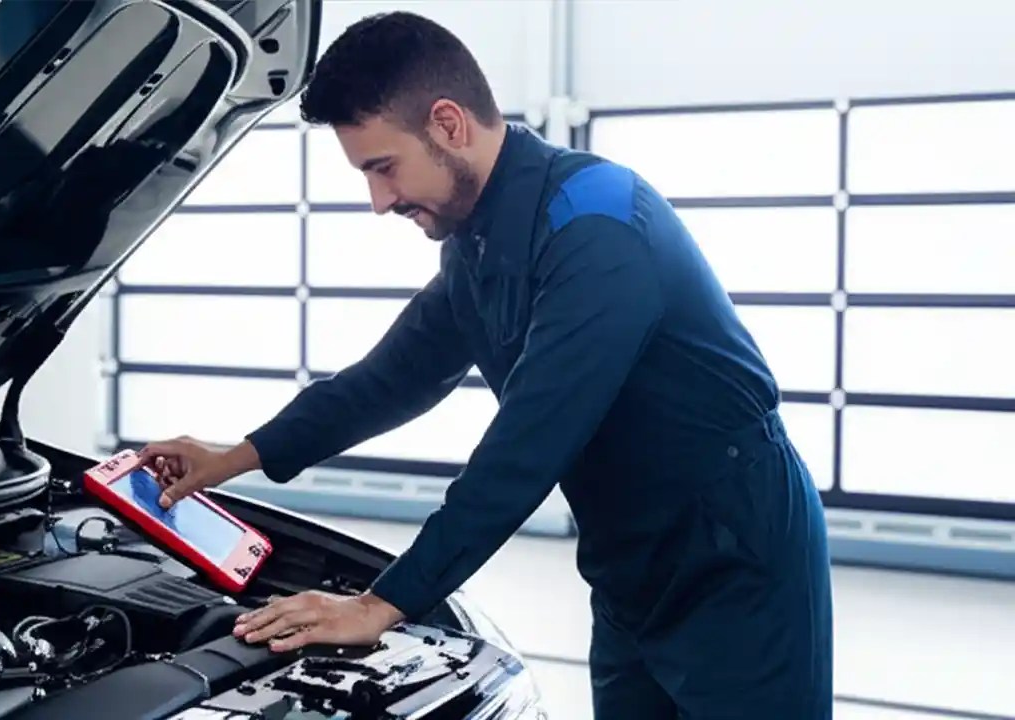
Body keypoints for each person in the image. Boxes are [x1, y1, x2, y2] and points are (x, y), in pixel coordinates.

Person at [138, 11, 833, 719]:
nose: (379, 202)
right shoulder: (475, 246)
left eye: (383, 167)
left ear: (448, 124)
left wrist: (386, 602)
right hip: (629, 568)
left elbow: (528, 443)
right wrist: (235, 457)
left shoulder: (599, 227)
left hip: (735, 557)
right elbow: (390, 378)